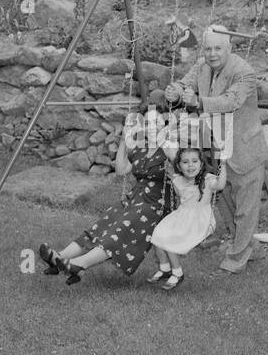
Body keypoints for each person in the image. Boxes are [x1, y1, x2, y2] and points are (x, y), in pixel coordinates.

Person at [164, 27, 268, 273]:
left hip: (245, 149)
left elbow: (231, 101)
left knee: (245, 208)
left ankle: (236, 258)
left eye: (218, 48)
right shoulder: (202, 65)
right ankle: (249, 247)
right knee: (225, 203)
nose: (212, 54)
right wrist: (175, 90)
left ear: (229, 48)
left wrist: (198, 102)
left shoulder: (244, 72)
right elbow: (185, 82)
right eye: (208, 48)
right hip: (217, 149)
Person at [38, 107, 178, 285]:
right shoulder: (140, 148)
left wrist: (167, 141)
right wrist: (124, 140)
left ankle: (79, 264)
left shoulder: (170, 146)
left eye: (156, 122)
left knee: (120, 230)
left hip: (157, 203)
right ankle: (59, 257)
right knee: (103, 224)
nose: (152, 127)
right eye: (148, 123)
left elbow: (181, 168)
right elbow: (121, 170)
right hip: (135, 198)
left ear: (164, 124)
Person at [147, 139, 227, 290]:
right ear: (179, 166)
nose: (190, 165)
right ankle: (165, 268)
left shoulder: (208, 180)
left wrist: (223, 164)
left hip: (199, 220)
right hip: (182, 215)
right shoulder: (179, 180)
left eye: (194, 161)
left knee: (169, 239)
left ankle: (177, 273)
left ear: (201, 164)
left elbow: (221, 185)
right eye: (185, 162)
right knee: (157, 233)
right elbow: (180, 195)